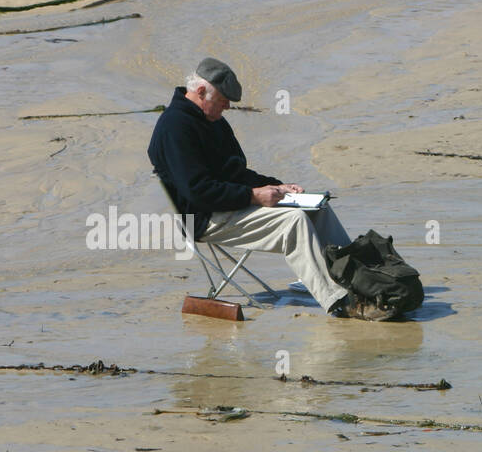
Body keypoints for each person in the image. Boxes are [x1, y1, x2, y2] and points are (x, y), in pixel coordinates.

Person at [147, 57, 375, 318]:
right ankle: (341, 303)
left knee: (318, 209)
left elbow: (238, 173)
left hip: (231, 203)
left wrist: (277, 187)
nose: (228, 106)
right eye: (223, 100)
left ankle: (362, 280)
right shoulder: (175, 127)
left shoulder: (213, 120)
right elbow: (198, 191)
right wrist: (254, 196)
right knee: (294, 221)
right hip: (205, 217)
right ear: (201, 92)